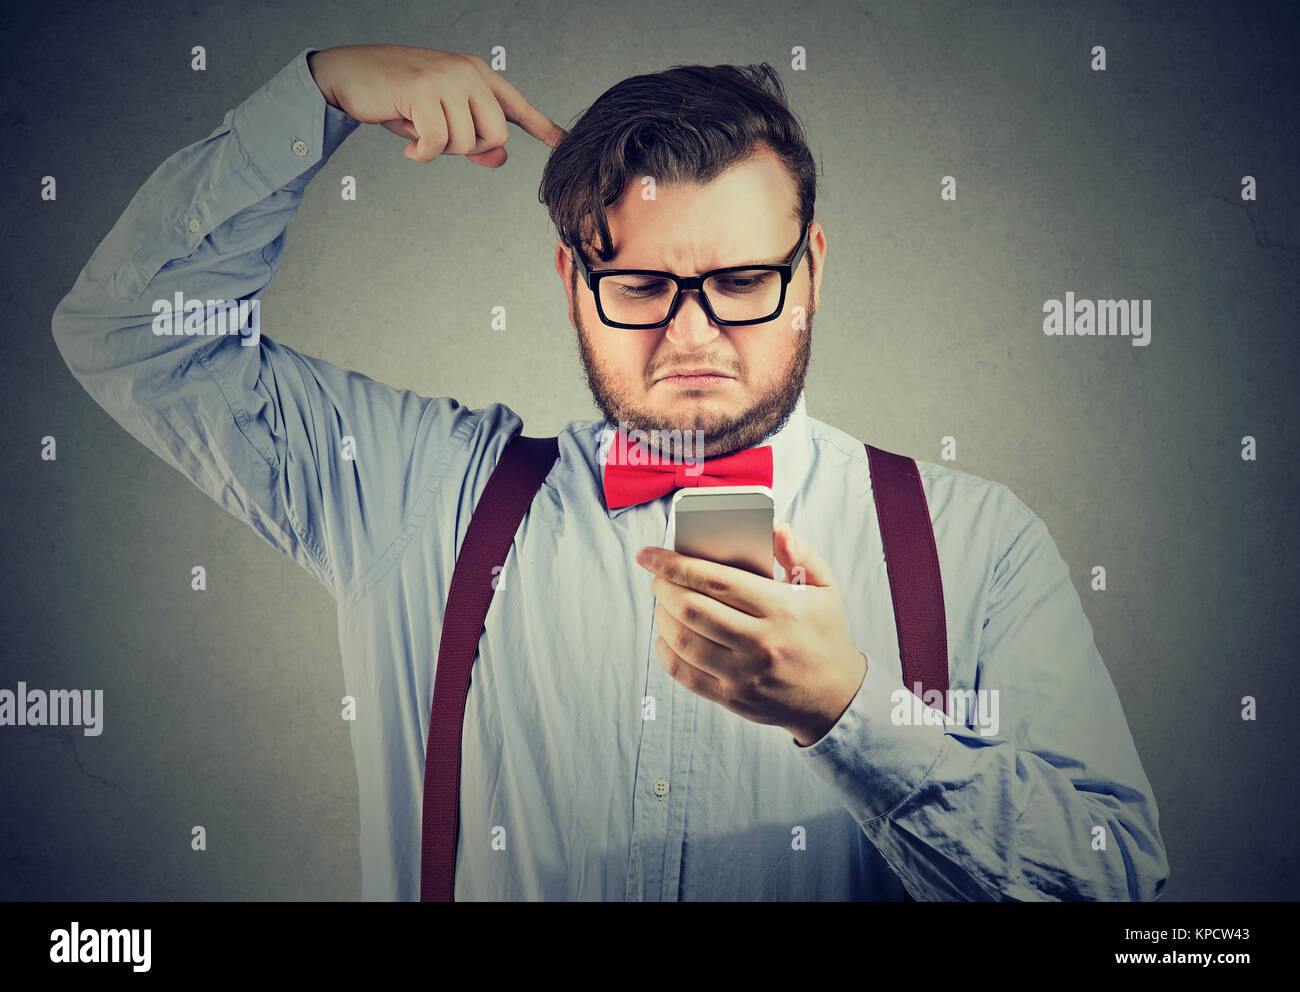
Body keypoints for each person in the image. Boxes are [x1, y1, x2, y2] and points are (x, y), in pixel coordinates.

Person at [50, 43, 1169, 901]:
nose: (692, 336)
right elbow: (132, 332)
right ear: (570, 278)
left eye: (740, 279)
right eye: (637, 284)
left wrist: (847, 713)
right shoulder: (419, 498)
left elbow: (1123, 893)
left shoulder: (977, 542)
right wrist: (320, 95)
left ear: (811, 268)